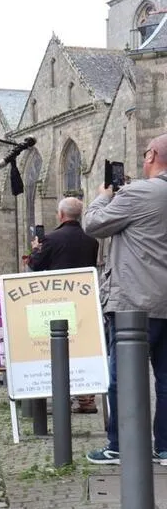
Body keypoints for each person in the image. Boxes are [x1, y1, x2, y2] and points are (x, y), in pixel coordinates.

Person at [82, 133, 167, 464]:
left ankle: (120, 445)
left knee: (124, 377)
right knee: (166, 379)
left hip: (136, 301)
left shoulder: (139, 192)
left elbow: (93, 224)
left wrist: (104, 197)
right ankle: (165, 447)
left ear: (151, 156)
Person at [28, 196, 101, 413]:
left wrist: (36, 249)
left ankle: (62, 400)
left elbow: (35, 265)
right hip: (84, 300)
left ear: (60, 215)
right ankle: (87, 400)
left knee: (58, 349)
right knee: (83, 349)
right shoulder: (92, 241)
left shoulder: (51, 239)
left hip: (57, 302)